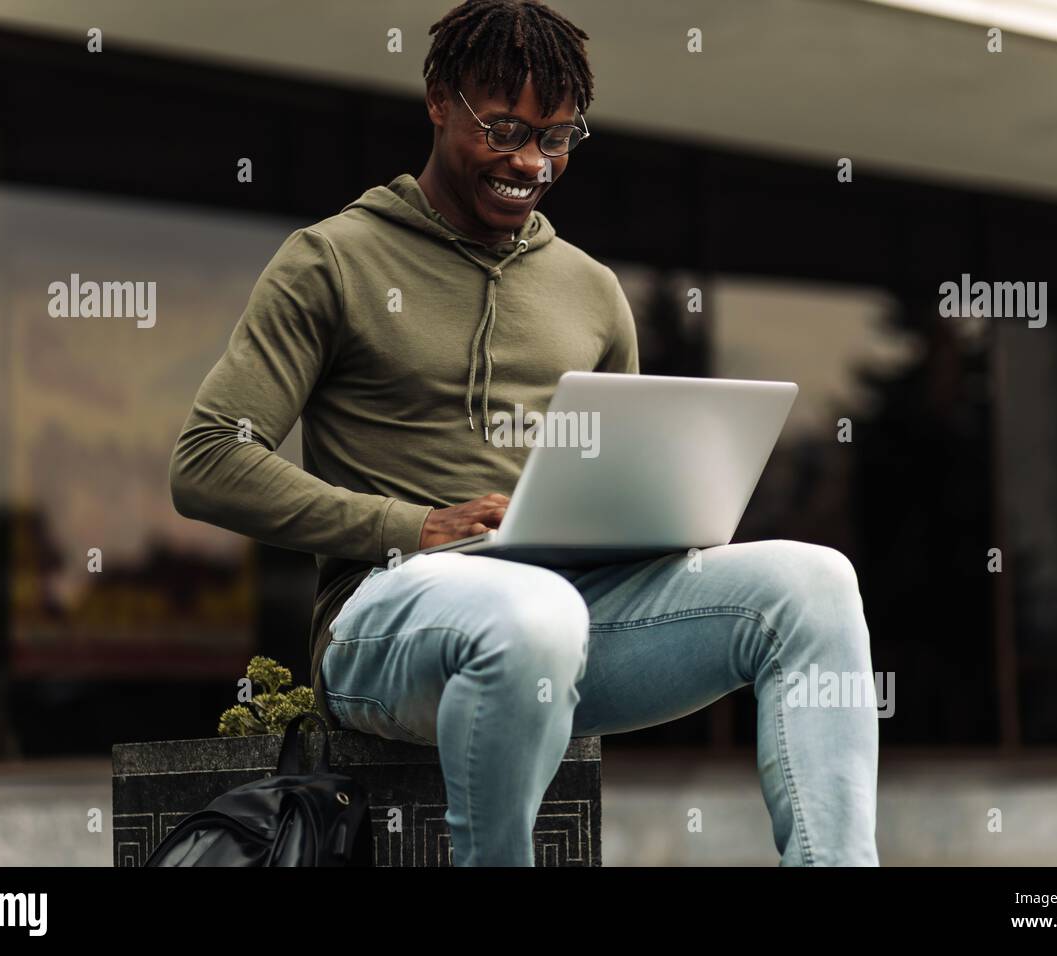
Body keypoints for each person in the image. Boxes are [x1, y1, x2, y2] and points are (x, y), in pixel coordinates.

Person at [169, 0, 879, 866]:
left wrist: (658, 531)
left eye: (558, 138)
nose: (530, 162)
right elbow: (209, 461)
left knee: (814, 584)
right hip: (385, 621)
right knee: (532, 612)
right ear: (438, 98)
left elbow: (625, 480)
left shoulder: (591, 291)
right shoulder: (331, 261)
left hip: (574, 620)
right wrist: (413, 527)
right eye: (504, 128)